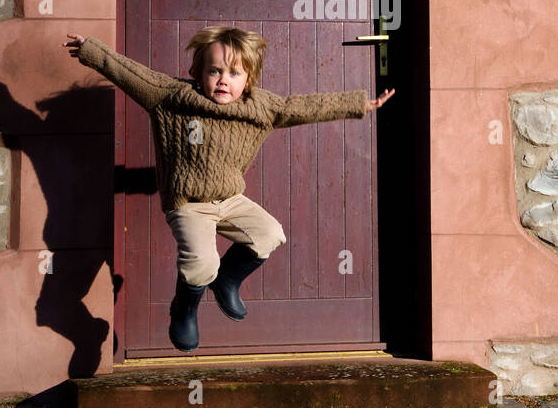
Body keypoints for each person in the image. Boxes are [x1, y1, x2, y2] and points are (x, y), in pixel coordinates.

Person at [64, 26, 394, 352]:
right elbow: (129, 73)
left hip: (230, 200)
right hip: (189, 204)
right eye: (214, 70)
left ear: (248, 80)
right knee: (201, 264)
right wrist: (92, 51)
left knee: (269, 233)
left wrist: (359, 105)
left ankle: (228, 281)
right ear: (198, 72)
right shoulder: (172, 97)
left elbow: (305, 106)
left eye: (234, 73)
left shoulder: (261, 108)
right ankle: (184, 309)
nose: (223, 79)